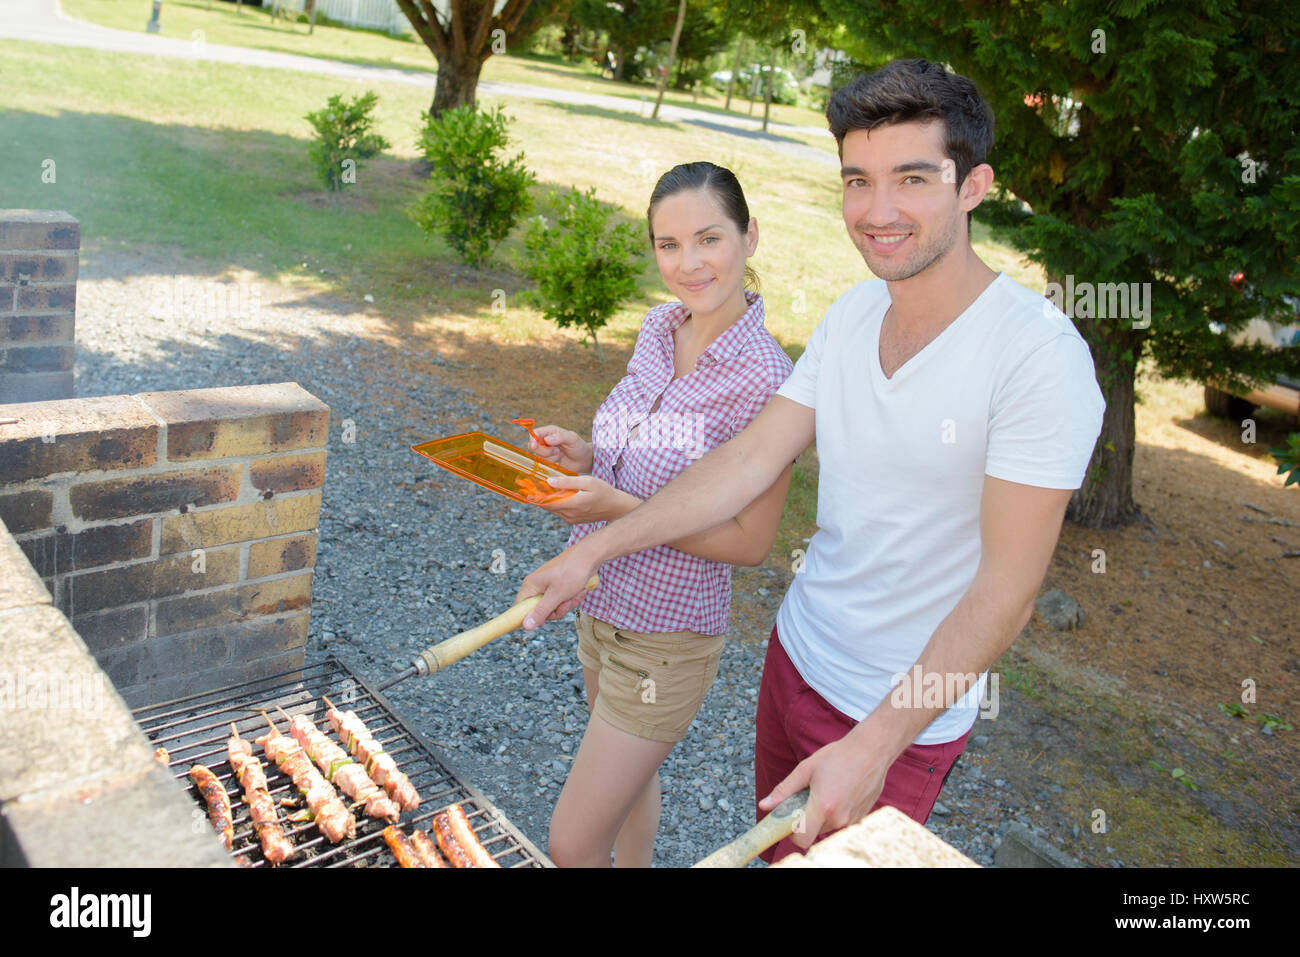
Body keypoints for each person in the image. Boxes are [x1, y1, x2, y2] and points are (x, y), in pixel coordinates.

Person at [516, 59, 1106, 863]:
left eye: (911, 179)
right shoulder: (855, 313)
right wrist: (593, 547)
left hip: (896, 717)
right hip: (796, 662)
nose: (879, 210)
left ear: (973, 186)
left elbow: (1008, 588)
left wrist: (878, 744)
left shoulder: (1039, 357)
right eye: (857, 181)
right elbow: (750, 457)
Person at [525, 162, 794, 867]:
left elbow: (752, 542)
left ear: (750, 236)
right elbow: (641, 447)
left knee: (571, 839)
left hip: (666, 639)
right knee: (628, 788)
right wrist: (585, 455)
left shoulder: (768, 379)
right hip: (597, 601)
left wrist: (618, 507)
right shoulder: (656, 328)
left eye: (709, 238)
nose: (688, 263)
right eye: (668, 245)